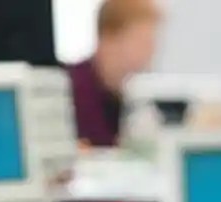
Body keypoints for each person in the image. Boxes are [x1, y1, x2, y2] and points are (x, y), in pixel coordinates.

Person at [65, 0, 162, 149]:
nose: (149, 53)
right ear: (109, 38)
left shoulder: (128, 98)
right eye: (142, 42)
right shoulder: (70, 93)